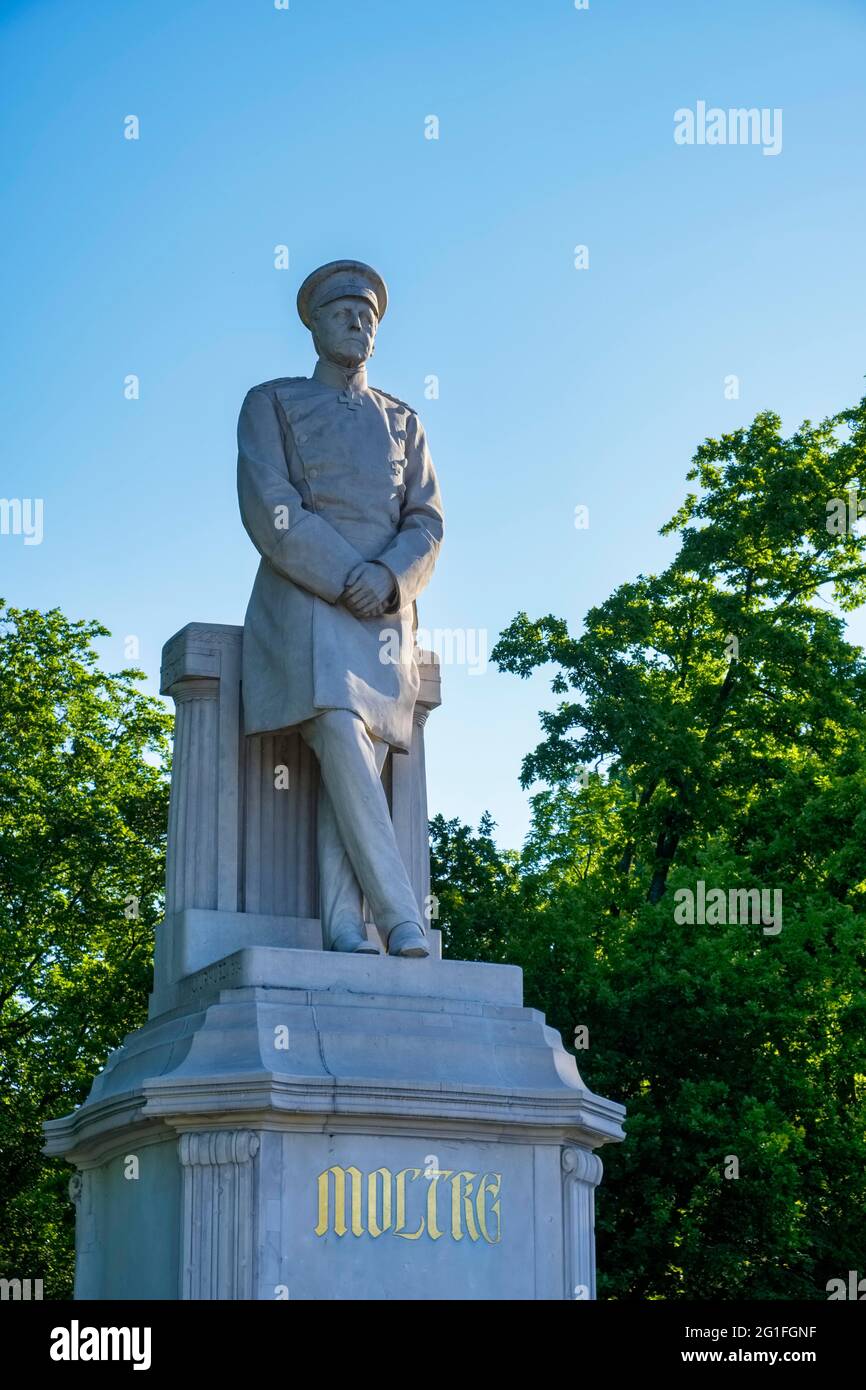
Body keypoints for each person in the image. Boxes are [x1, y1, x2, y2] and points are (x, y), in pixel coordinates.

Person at [237, 260, 444, 958]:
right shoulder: (271, 403)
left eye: (368, 317)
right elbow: (271, 506)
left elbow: (427, 520)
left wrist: (386, 576)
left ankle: (344, 928)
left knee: (359, 754)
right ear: (316, 324)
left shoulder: (404, 421)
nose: (358, 324)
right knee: (336, 725)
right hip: (307, 600)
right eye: (343, 314)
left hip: (386, 613)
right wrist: (343, 573)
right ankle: (401, 915)